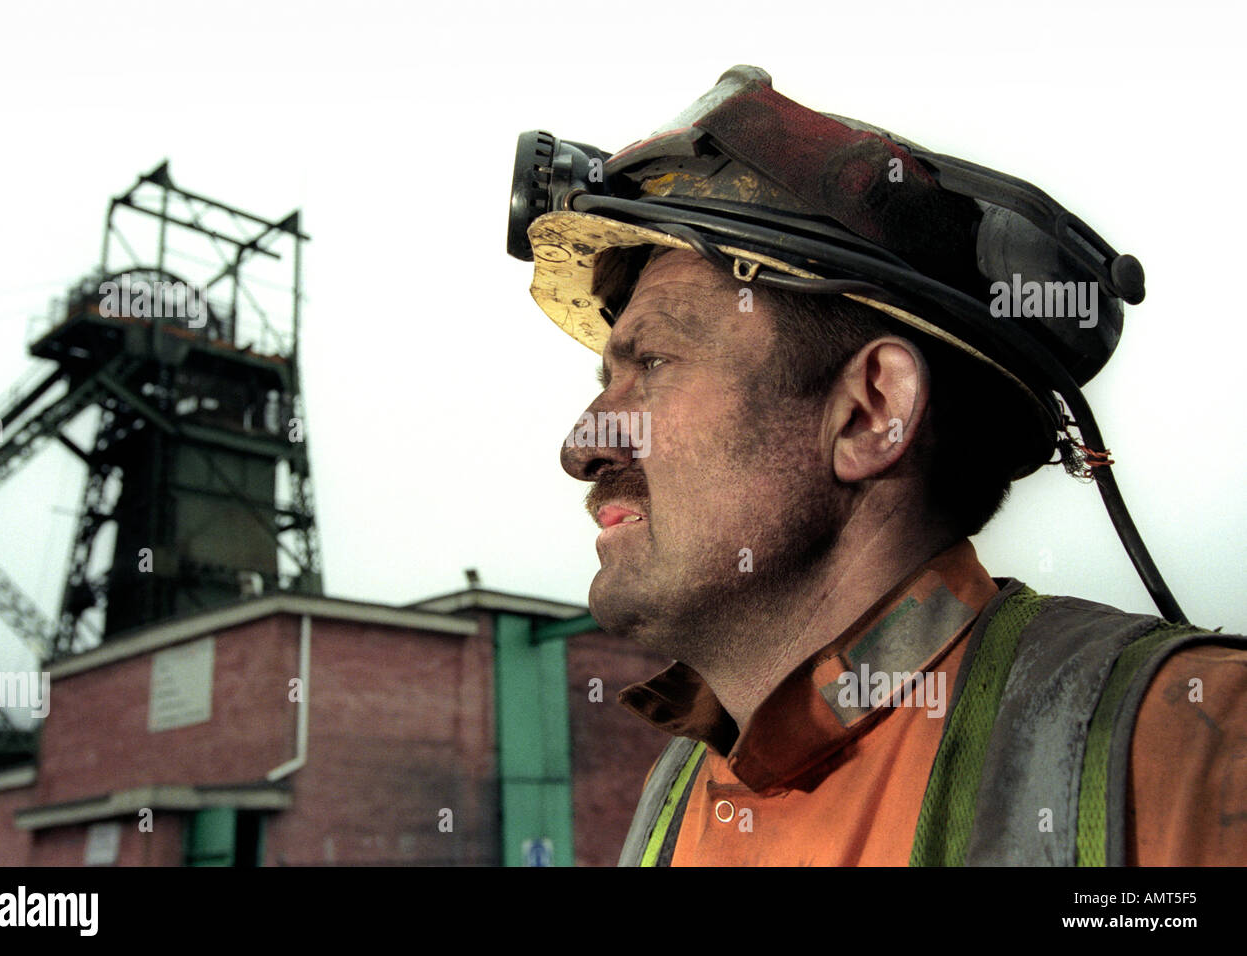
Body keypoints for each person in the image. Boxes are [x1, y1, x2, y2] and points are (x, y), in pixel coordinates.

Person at [507, 66, 1247, 866]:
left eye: (652, 364)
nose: (582, 446)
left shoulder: (1192, 751)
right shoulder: (676, 796)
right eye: (604, 383)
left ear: (869, 412)